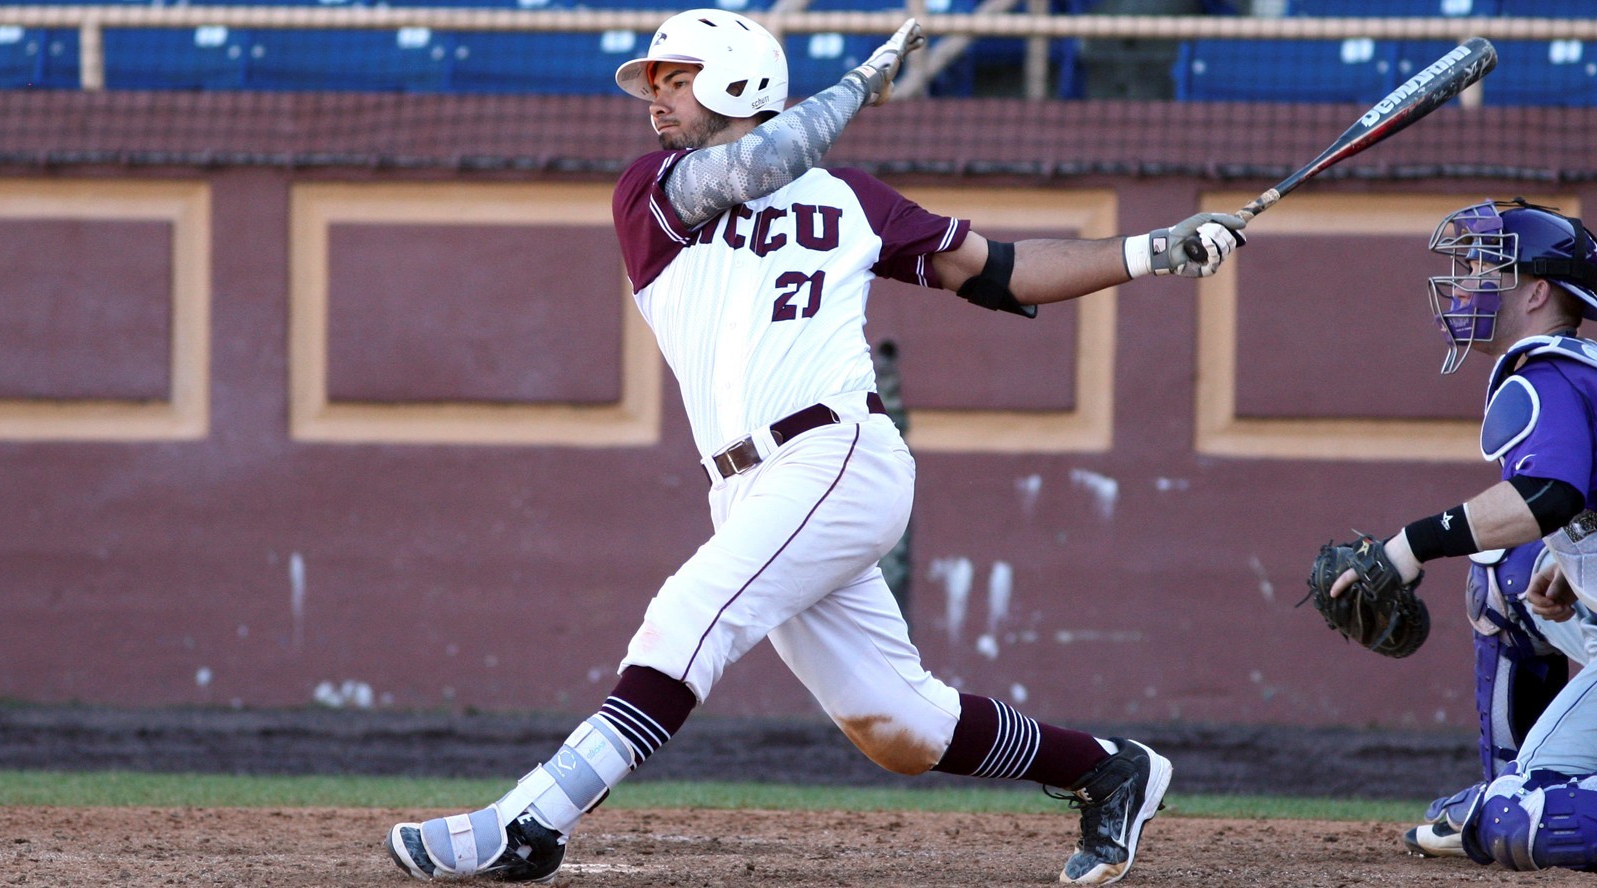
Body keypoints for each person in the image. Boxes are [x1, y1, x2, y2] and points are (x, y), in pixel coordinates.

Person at [383, 10, 1245, 885]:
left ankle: (530, 820)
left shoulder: (853, 200)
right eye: (655, 82)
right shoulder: (654, 190)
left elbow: (1003, 270)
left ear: (733, 80)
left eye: (675, 79)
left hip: (835, 455)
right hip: (744, 486)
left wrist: (1153, 251)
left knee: (690, 616)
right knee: (898, 725)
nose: (656, 97)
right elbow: (762, 163)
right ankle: (1108, 769)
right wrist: (862, 85)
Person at [1317, 199, 1597, 865]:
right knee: (1510, 575)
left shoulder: (1545, 373)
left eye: (1483, 268)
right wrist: (1574, 554)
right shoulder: (1579, 364)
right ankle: (1507, 784)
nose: (1466, 281)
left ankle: (1510, 795)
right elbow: (1570, 503)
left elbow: (1548, 493)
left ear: (1536, 292)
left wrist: (1408, 544)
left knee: (1519, 821)